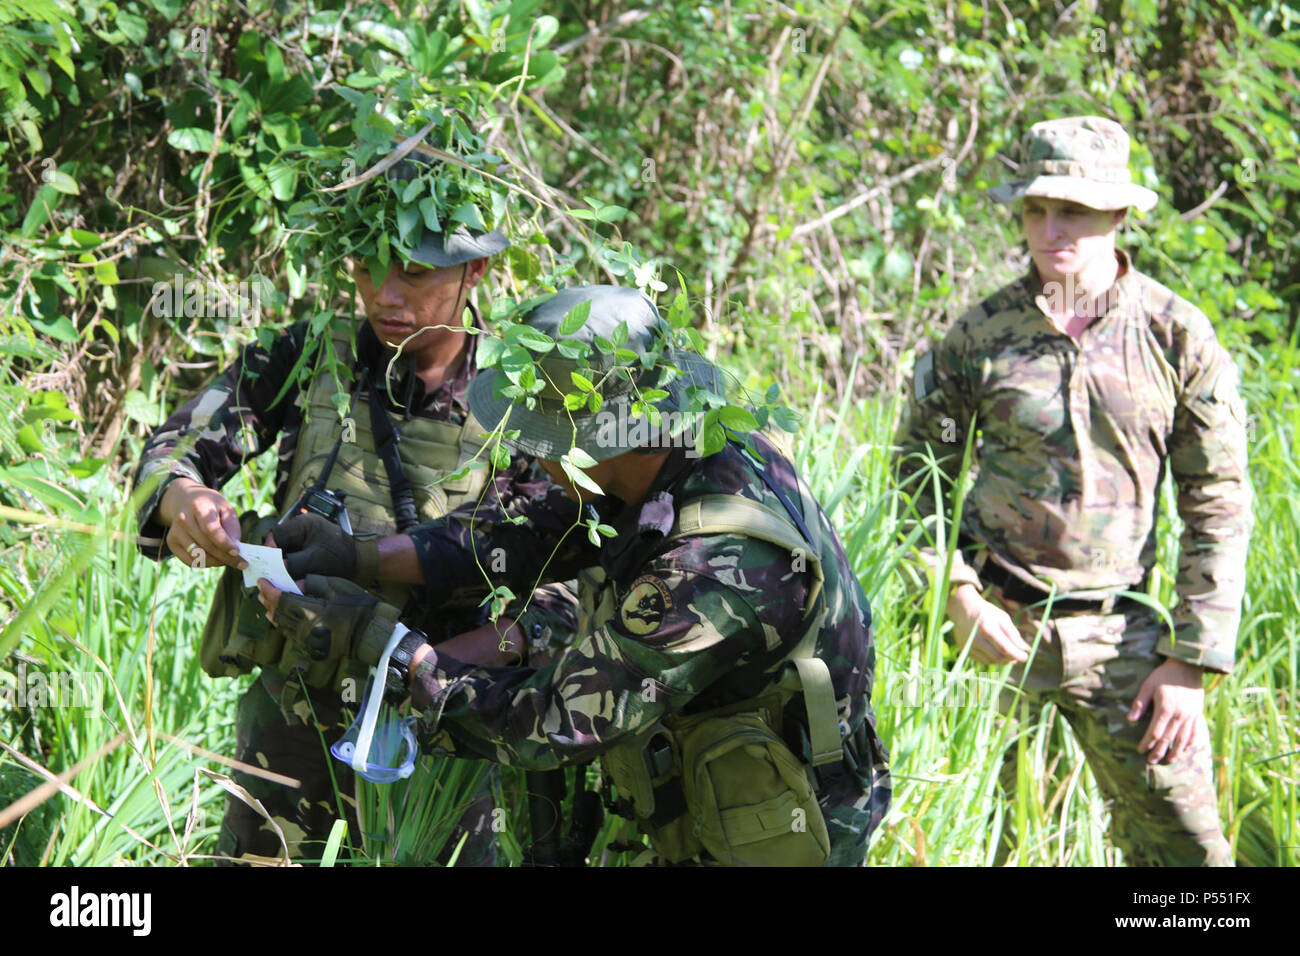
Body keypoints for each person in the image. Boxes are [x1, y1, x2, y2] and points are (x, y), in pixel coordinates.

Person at [259, 284, 892, 866]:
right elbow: (521, 534)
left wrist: (388, 650)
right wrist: (356, 554)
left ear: (600, 439)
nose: (529, 456)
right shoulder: (671, 449)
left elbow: (556, 722)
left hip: (774, 832)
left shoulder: (715, 567)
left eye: (540, 439)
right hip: (706, 791)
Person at [132, 141, 578, 865]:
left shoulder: (526, 402)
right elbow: (170, 455)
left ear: (476, 272)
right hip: (290, 723)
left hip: (438, 734)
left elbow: (563, 599)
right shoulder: (310, 356)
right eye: (367, 265)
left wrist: (422, 665)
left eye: (414, 271)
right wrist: (187, 500)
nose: (384, 294)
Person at [893, 116, 1252, 866]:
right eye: (1035, 209)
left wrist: (1190, 660)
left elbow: (1217, 497)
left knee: (1189, 858)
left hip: (1126, 638)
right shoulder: (980, 336)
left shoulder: (1175, 335)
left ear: (1119, 215)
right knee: (966, 844)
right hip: (993, 634)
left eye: (1074, 211)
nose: (1051, 229)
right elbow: (918, 477)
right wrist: (955, 595)